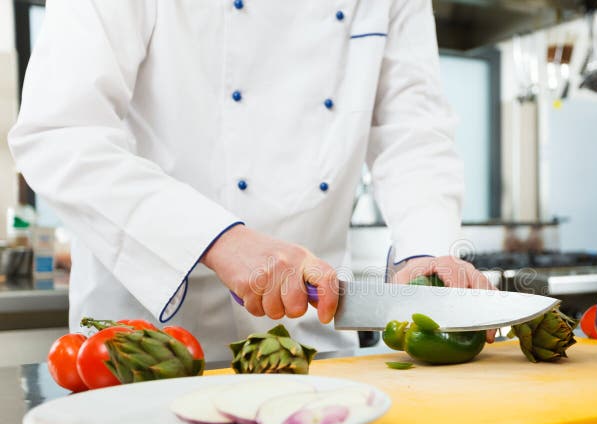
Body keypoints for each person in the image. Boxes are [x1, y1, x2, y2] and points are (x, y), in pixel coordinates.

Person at [8, 0, 494, 360]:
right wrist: (220, 240)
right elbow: (60, 132)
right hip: (150, 345)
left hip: (308, 339)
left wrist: (425, 253)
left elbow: (412, 132)